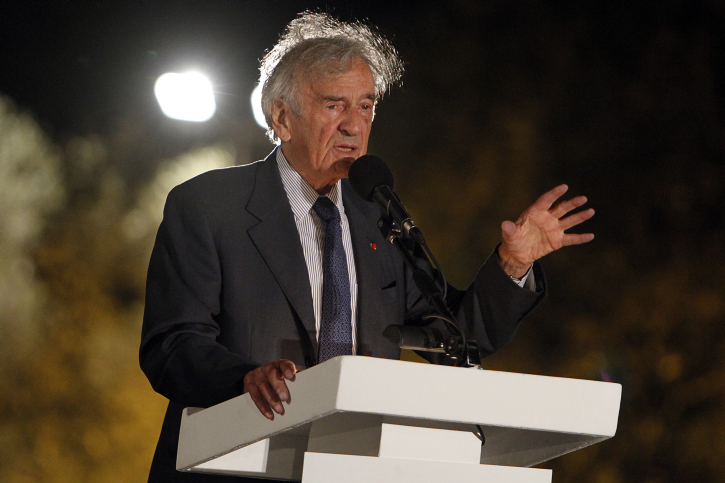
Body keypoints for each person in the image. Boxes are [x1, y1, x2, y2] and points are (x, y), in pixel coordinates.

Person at [139, 12, 594, 483]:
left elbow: (455, 339)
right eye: (334, 105)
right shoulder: (210, 206)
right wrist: (243, 380)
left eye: (366, 106)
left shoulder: (379, 215)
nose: (354, 127)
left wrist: (512, 263)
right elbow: (171, 345)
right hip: (234, 464)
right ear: (281, 117)